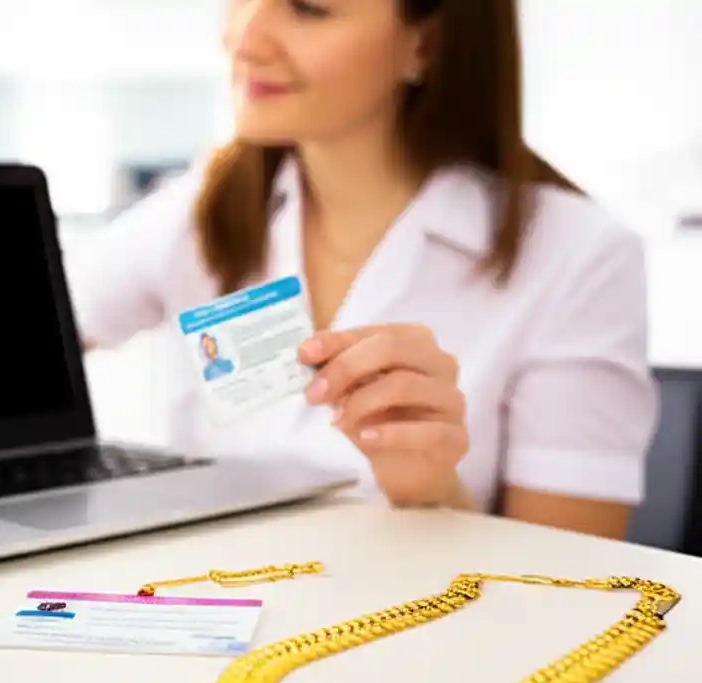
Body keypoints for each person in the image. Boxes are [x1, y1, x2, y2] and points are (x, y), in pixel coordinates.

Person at [68, 0, 656, 540]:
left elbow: (571, 587)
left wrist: (432, 492)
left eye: (309, 9)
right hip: (210, 610)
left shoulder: (579, 254)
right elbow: (20, 344)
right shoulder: (199, 211)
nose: (244, 40)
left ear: (424, 45)